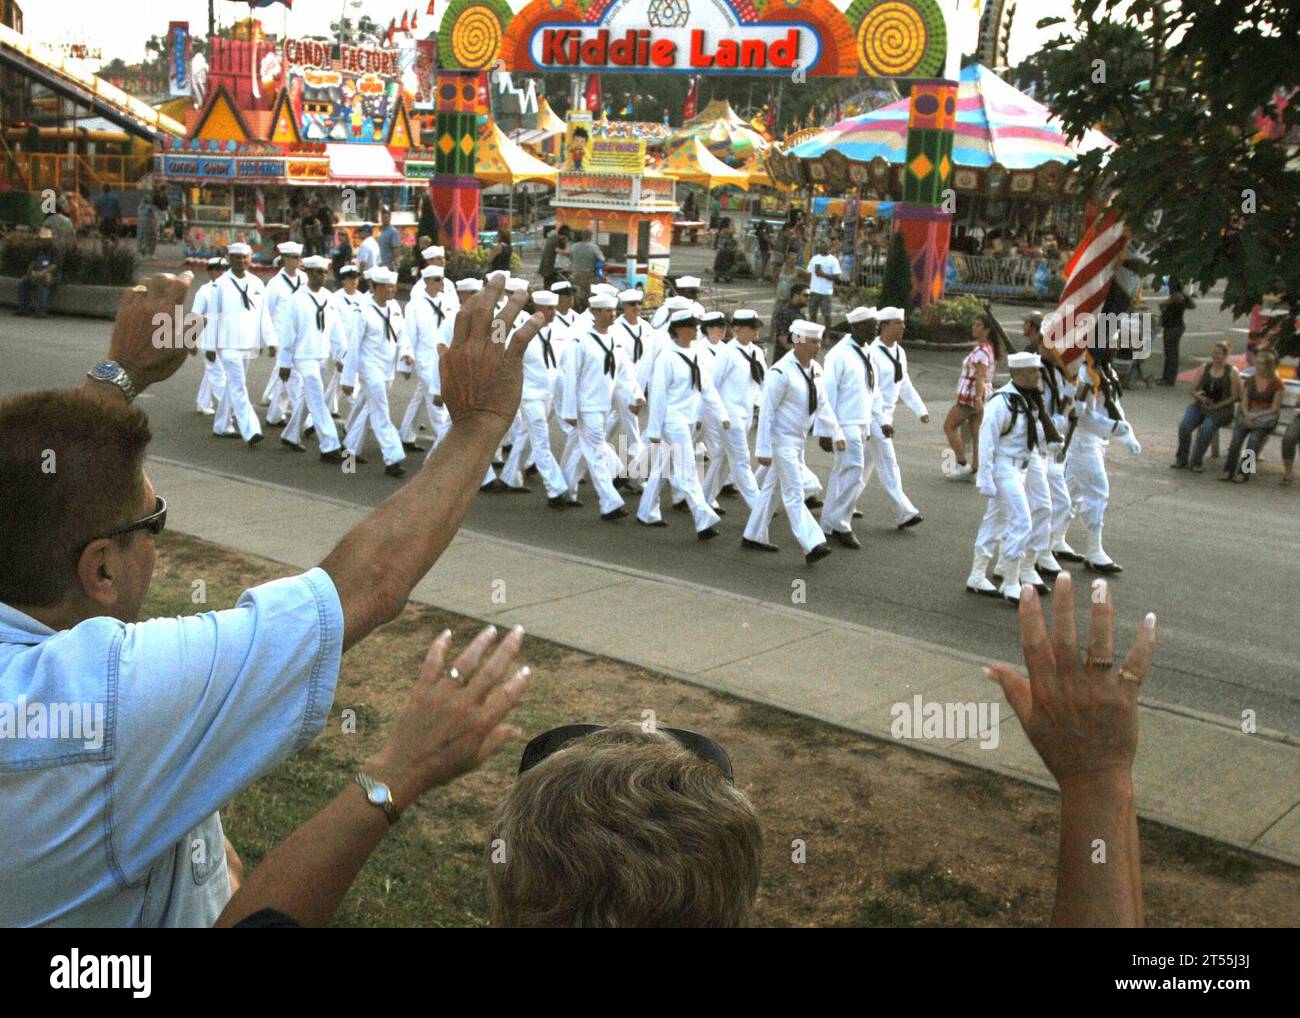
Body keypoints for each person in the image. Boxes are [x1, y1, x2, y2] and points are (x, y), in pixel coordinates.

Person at [0, 268, 543, 927]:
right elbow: (364, 588)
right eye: (153, 524)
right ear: (102, 571)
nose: (160, 543)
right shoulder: (112, 697)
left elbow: (29, 491)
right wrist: (479, 424)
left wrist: (119, 376)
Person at [742, 320, 844, 564]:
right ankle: (813, 543)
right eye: (813, 341)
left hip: (797, 441)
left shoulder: (815, 370)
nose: (818, 346)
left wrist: (836, 433)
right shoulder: (781, 372)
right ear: (797, 341)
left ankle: (753, 534)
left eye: (819, 341)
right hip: (781, 441)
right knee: (794, 493)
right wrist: (764, 448)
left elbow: (823, 405)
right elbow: (766, 412)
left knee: (771, 489)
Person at [967, 351, 1061, 604]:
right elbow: (986, 442)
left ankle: (978, 574)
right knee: (1021, 521)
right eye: (1033, 371)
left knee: (996, 521)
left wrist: (1051, 441)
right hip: (1004, 468)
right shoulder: (1002, 402)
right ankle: (1011, 582)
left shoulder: (1029, 400)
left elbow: (1035, 434)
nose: (1039, 375)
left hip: (1024, 466)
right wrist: (985, 478)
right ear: (1019, 374)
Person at [637, 309, 726, 539]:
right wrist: (655, 429)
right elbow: (658, 395)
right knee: (687, 471)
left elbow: (707, 388)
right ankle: (703, 519)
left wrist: (722, 415)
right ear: (679, 329)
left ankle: (646, 511)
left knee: (662, 468)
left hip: (688, 419)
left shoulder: (696, 353)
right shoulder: (667, 357)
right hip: (672, 420)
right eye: (691, 325)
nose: (696, 329)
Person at [560, 292, 630, 519]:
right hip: (586, 406)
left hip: (603, 405)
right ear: (595, 312)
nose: (613, 314)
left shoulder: (614, 339)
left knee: (583, 450)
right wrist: (569, 411)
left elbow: (623, 372)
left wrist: (635, 395)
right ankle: (610, 502)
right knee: (596, 453)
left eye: (614, 310)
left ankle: (564, 490)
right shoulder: (581, 341)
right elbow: (571, 377)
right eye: (608, 311)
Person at [342, 267, 415, 478]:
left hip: (387, 369)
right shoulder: (362, 311)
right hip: (369, 369)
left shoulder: (394, 308)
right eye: (386, 286)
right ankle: (393, 458)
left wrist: (407, 355)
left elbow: (402, 334)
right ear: (374, 287)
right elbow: (353, 347)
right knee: (381, 414)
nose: (391, 290)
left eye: (392, 286)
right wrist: (348, 378)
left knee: (368, 411)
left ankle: (349, 452)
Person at [819, 306, 881, 548]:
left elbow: (872, 390)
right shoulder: (839, 354)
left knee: (842, 471)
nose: (875, 328)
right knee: (855, 469)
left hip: (862, 420)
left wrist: (881, 420)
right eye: (871, 325)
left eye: (876, 324)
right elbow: (828, 394)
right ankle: (841, 523)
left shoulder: (866, 351)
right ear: (856, 327)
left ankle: (826, 522)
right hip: (844, 423)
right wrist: (827, 430)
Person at [277, 255, 348, 463]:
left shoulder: (329, 297)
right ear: (307, 272)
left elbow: (336, 330)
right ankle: (330, 445)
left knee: (309, 399)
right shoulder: (296, 300)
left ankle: (290, 435)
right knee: (317, 399)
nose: (321, 276)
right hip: (303, 356)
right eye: (317, 272)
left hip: (321, 355)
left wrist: (341, 355)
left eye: (324, 272)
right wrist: (284, 362)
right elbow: (287, 335)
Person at [866, 307, 928, 529]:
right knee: (889, 463)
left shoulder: (899, 352)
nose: (903, 327)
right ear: (884, 326)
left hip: (888, 415)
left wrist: (920, 410)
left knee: (862, 467)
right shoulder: (872, 352)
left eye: (902, 323)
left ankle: (841, 509)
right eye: (898, 323)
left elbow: (905, 383)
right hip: (873, 415)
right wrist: (881, 419)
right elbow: (870, 390)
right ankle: (904, 512)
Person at [702, 309, 764, 512]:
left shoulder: (757, 352)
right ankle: (758, 506)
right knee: (741, 459)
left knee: (723, 457)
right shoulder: (727, 353)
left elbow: (762, 384)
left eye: (756, 327)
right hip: (729, 414)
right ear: (737, 329)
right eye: (751, 327)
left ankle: (704, 499)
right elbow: (711, 384)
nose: (755, 332)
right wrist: (717, 414)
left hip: (746, 413)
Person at [209, 242, 267, 447]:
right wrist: (210, 345)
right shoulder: (221, 284)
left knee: (233, 386)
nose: (241, 261)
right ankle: (251, 430)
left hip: (248, 343)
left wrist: (270, 340)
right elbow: (213, 317)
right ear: (229, 259)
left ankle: (221, 425)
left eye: (245, 257)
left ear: (250, 258)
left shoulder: (257, 283)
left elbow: (263, 315)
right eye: (236, 257)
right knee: (239, 386)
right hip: (228, 344)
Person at [943, 314, 1001, 478]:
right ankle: (977, 466)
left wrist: (977, 399)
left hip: (970, 397)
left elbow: (980, 376)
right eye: (973, 324)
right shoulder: (985, 348)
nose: (974, 328)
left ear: (986, 329)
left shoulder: (982, 351)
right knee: (976, 431)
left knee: (949, 426)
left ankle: (962, 464)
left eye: (978, 325)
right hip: (977, 396)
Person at [1172, 340, 1240, 472]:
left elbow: (1234, 397)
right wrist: (1199, 397)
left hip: (1222, 409)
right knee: (1184, 426)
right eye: (1214, 353)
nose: (1215, 356)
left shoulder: (1232, 372)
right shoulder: (1204, 368)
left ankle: (1197, 460)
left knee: (1208, 428)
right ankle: (1181, 458)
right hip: (1201, 405)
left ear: (1225, 356)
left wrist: (1216, 406)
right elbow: (1192, 389)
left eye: (1219, 354)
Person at [1221, 349, 1284, 483]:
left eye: (1261, 364)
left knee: (1253, 441)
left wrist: (1257, 415)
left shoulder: (1277, 384)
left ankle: (1245, 472)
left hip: (1265, 417)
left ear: (1268, 365)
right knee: (1236, 441)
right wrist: (1247, 413)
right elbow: (1244, 400)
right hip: (1248, 413)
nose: (1258, 366)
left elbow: (1275, 408)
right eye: (1257, 363)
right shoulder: (1250, 380)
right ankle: (1228, 470)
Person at [261, 242, 305, 428]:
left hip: (301, 335)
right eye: (294, 257)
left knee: (284, 376)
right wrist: (270, 340)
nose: (298, 261)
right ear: (285, 259)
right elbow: (266, 312)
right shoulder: (275, 284)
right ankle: (304, 419)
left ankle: (274, 415)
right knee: (294, 376)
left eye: (298, 257)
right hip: (281, 337)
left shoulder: (304, 279)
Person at [191, 256, 228, 415]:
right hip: (207, 337)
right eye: (219, 270)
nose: (222, 272)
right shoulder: (204, 291)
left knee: (213, 371)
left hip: (225, 336)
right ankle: (228, 407)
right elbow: (195, 316)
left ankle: (203, 402)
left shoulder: (229, 289)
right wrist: (190, 339)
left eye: (225, 269)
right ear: (210, 272)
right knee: (217, 372)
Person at [13, 229, 61, 319]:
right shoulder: (38, 250)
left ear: (50, 240)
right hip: (37, 273)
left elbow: (54, 266)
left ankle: (41, 311)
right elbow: (33, 263)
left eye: (46, 239)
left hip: (52, 275)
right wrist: (27, 275)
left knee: (42, 285)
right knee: (23, 283)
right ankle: (23, 309)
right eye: (42, 239)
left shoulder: (54, 250)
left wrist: (43, 272)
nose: (43, 241)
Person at [1157, 276, 1196, 385]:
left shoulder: (1175, 297)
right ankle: (1167, 377)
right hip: (1176, 326)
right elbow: (1192, 305)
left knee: (1171, 354)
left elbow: (1162, 305)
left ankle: (1169, 379)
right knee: (1171, 353)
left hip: (1172, 327)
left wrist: (1167, 303)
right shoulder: (1182, 296)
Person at [805, 241, 841, 327]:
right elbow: (809, 273)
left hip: (826, 291)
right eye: (821, 247)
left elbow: (837, 277)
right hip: (814, 290)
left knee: (827, 315)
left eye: (825, 247)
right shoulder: (814, 258)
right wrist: (808, 286)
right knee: (812, 314)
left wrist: (823, 274)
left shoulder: (833, 260)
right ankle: (812, 333)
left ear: (829, 248)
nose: (822, 249)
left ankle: (827, 336)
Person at [771, 282, 810, 358]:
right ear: (795, 296)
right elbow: (783, 340)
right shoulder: (784, 312)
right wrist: (800, 354)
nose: (808, 298)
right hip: (784, 358)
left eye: (809, 296)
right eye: (805, 295)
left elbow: (800, 338)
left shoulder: (801, 313)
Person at [567, 229, 604, 307]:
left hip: (575, 275)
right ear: (590, 237)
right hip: (589, 275)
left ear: (581, 236)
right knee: (588, 296)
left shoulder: (574, 246)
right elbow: (601, 259)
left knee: (576, 294)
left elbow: (570, 257)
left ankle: (576, 308)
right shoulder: (594, 247)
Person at [93, 185, 121, 249]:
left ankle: (105, 255)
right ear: (110, 189)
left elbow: (97, 213)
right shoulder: (114, 199)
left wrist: (96, 223)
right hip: (112, 222)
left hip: (103, 222)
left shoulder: (98, 199)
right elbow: (118, 211)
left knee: (104, 239)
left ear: (102, 189)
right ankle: (112, 250)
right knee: (115, 240)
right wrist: (120, 220)